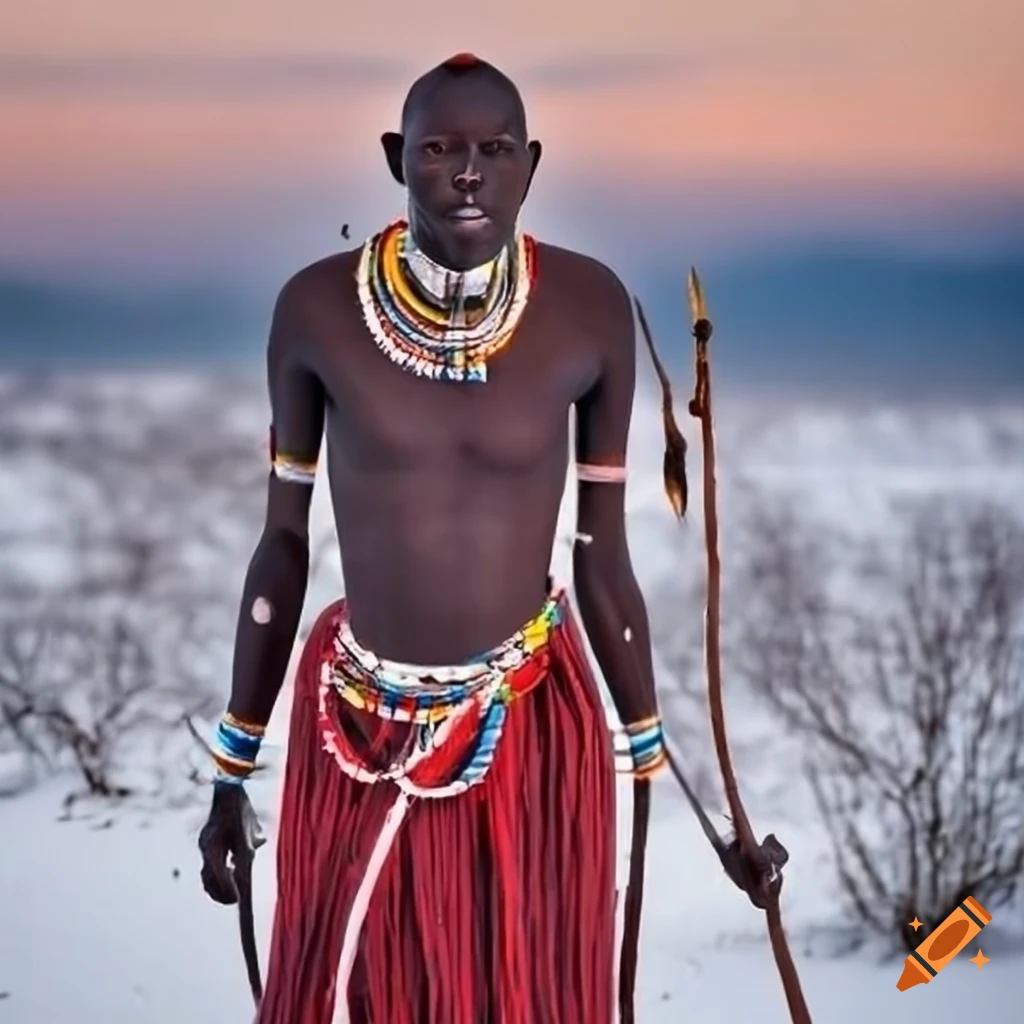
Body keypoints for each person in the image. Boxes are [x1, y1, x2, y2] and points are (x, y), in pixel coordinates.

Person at [198, 53, 771, 1024]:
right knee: (352, 987)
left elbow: (602, 558)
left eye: (496, 151)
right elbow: (281, 545)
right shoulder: (314, 309)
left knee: (524, 989)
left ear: (533, 164)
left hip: (532, 729)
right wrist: (230, 772)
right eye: (440, 150)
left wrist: (706, 810)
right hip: (352, 723)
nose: (469, 173)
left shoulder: (588, 308)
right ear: (395, 159)